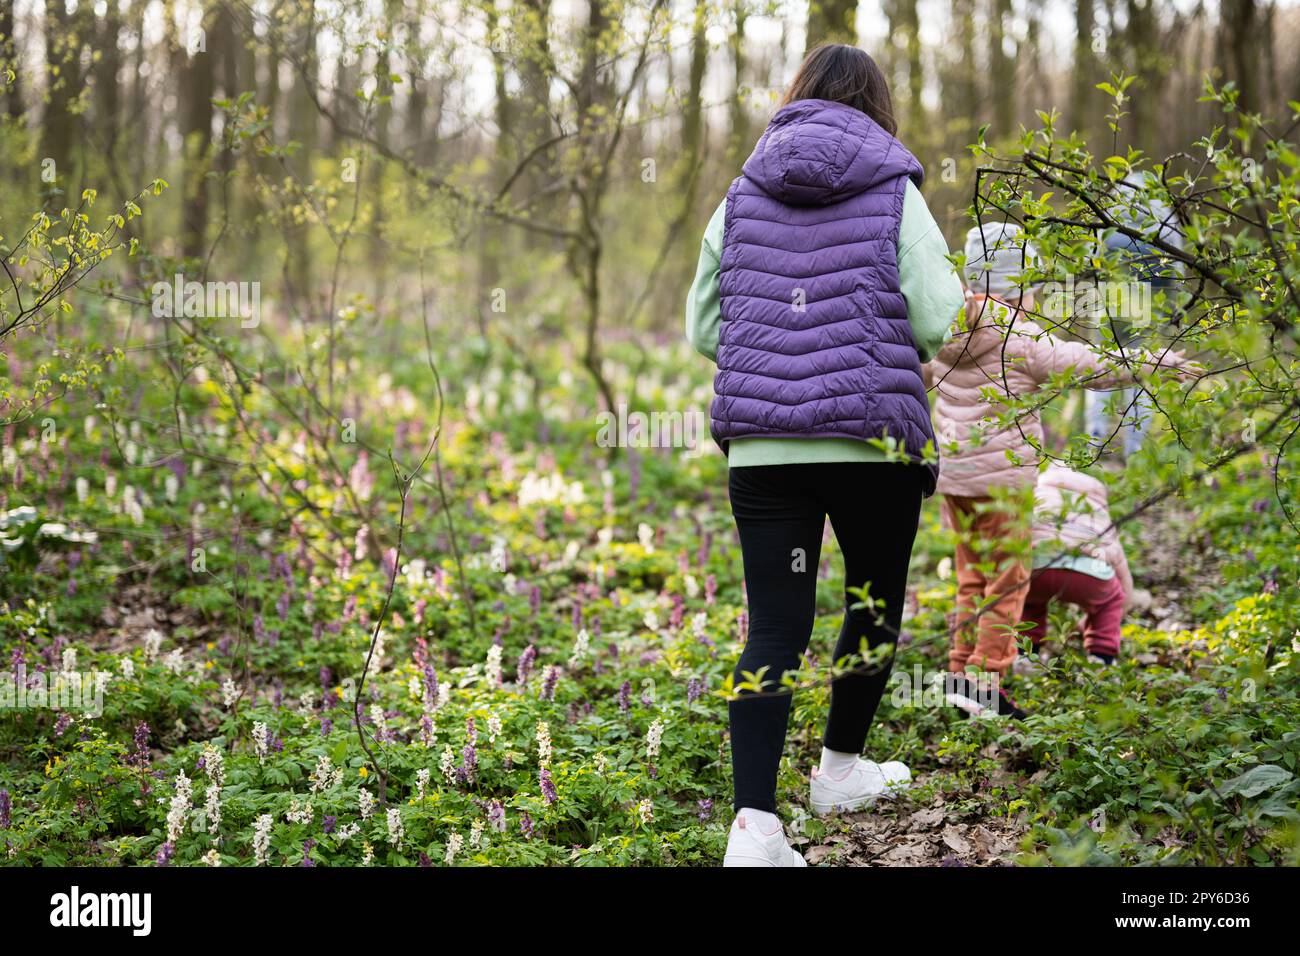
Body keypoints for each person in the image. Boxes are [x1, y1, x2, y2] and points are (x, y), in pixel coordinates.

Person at [684, 43, 964, 867]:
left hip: (766, 451)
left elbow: (707, 330)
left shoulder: (737, 197)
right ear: (877, 106)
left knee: (774, 625)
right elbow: (939, 319)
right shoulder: (895, 195)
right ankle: (839, 769)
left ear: (796, 97)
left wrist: (782, 361)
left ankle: (754, 831)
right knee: (872, 606)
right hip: (873, 443)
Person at [925, 222, 1186, 719]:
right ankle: (985, 683)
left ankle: (960, 672)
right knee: (1007, 581)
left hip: (954, 480)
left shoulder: (940, 328)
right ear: (1020, 283)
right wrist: (1151, 361)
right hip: (1001, 484)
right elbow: (1090, 364)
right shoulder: (1021, 335)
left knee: (972, 577)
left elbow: (912, 374)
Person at [1084, 180, 1186, 458]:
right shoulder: (1164, 219)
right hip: (1150, 305)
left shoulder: (1110, 214)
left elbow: (1088, 258)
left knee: (1102, 363)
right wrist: (1172, 308)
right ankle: (1135, 446)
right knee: (1143, 374)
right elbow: (1177, 266)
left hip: (1109, 302)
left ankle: (1094, 436)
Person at [1023, 464, 1133, 665]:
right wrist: (1085, 625)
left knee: (1028, 598)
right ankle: (1101, 657)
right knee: (1111, 599)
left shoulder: (1037, 494)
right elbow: (1125, 588)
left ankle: (1025, 653)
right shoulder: (1099, 509)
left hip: (1040, 564)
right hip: (1091, 569)